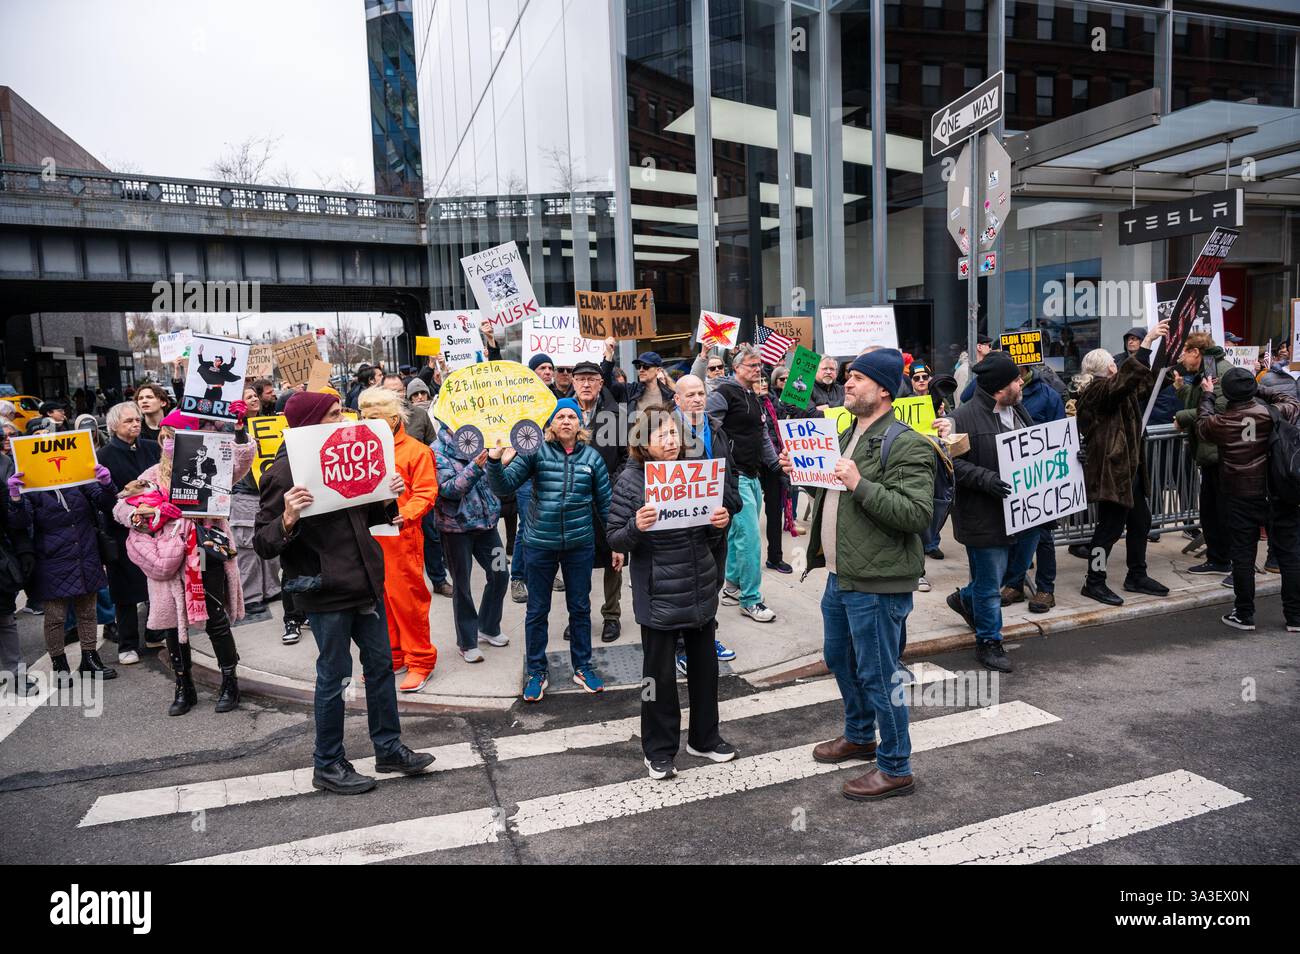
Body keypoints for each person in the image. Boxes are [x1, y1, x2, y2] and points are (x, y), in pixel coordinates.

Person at [255, 390, 431, 793]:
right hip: (324, 589)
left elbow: (368, 513)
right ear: (311, 421)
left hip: (365, 581)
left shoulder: (347, 453)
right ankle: (328, 764)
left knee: (381, 668)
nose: (343, 419)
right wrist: (287, 516)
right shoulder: (283, 471)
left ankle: (388, 748)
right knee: (334, 677)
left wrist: (388, 495)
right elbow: (264, 543)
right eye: (334, 414)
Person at [783, 349, 934, 801]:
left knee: (879, 674)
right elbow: (837, 492)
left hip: (877, 583)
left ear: (884, 389)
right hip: (839, 575)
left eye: (858, 379)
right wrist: (807, 476)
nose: (847, 384)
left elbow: (916, 513)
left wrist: (858, 483)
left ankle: (895, 766)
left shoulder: (906, 442)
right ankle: (859, 735)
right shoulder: (847, 432)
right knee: (840, 659)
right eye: (847, 378)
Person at [607, 408, 736, 780]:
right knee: (657, 680)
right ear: (642, 443)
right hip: (658, 592)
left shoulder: (696, 472)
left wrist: (718, 524)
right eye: (661, 435)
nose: (670, 441)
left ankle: (705, 738)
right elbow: (614, 537)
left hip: (698, 586)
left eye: (674, 434)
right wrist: (636, 526)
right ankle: (659, 751)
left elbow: (709, 537)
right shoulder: (631, 480)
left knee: (705, 671)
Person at [115, 410, 252, 713]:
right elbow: (123, 507)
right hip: (166, 557)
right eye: (163, 435)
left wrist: (238, 431)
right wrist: (141, 516)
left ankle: (230, 681)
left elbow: (241, 464)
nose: (167, 441)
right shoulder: (150, 475)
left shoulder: (212, 465)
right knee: (170, 622)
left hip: (204, 548)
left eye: (174, 436)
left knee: (214, 616)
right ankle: (183, 684)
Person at [487, 398, 614, 702]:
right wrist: (494, 461)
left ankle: (582, 666)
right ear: (551, 424)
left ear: (579, 424)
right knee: (537, 610)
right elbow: (503, 487)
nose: (567, 420)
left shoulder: (593, 459)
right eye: (560, 416)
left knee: (580, 608)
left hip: (579, 545)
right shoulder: (534, 453)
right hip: (539, 545)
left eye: (572, 416)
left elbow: (606, 505)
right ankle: (536, 671)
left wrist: (615, 544)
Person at [940, 351, 1040, 673]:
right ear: (1000, 387)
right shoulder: (963, 419)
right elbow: (951, 463)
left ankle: (964, 599)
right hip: (983, 515)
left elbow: (1037, 447)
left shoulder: (1019, 410)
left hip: (1020, 514)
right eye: (1015, 379)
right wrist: (988, 479)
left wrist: (1068, 458)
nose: (1021, 382)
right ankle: (989, 641)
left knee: (998, 578)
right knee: (989, 585)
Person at [1194, 367, 1300, 630]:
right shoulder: (1270, 413)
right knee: (1289, 555)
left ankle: (1244, 614)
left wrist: (1207, 395)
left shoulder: (1221, 422)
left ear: (1227, 393)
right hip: (1278, 493)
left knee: (1242, 555)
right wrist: (1260, 388)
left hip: (1240, 495)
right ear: (1252, 391)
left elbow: (1201, 425)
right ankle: (1295, 616)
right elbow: (1292, 402)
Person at [1075, 322, 1172, 607]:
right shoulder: (1095, 392)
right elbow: (1126, 381)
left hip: (1129, 470)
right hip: (1111, 472)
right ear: (1105, 369)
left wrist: (1170, 368)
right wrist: (1146, 343)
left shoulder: (1116, 389)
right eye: (1113, 365)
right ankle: (1093, 582)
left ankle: (1136, 575)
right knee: (1108, 530)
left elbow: (1142, 385)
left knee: (1141, 522)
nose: (1117, 367)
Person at [358, 386, 441, 692]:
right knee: (381, 603)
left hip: (402, 539)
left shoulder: (417, 451)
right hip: (371, 540)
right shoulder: (364, 449)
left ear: (394, 419)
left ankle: (421, 659)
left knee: (408, 602)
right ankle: (394, 654)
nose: (369, 422)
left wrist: (405, 513)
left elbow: (427, 492)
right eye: (365, 417)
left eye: (376, 417)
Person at [6, 463, 119, 681]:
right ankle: (60, 665)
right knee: (55, 616)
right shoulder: (32, 485)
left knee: (87, 611)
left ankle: (90, 659)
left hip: (85, 552)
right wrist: (16, 498)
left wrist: (106, 484)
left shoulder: (77, 478)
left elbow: (106, 504)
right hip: (52, 558)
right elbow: (20, 522)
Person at [706, 343, 787, 623]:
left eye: (760, 365)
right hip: (734, 477)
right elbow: (708, 431)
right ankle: (751, 599)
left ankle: (732, 586)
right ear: (737, 367)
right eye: (753, 365)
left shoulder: (753, 395)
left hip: (753, 475)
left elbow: (762, 434)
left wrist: (775, 464)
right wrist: (718, 469)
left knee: (738, 537)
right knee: (750, 539)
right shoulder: (723, 393)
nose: (759, 369)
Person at [672, 374, 738, 669]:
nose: (698, 399)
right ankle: (682, 649)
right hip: (684, 528)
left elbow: (730, 472)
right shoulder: (664, 432)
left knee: (713, 584)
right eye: (691, 395)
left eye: (701, 393)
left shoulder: (715, 428)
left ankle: (707, 638)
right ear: (677, 400)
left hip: (716, 524)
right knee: (687, 589)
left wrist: (732, 504)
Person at [433, 421, 510, 663]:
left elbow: (490, 480)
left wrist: (499, 463)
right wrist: (477, 467)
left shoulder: (480, 441)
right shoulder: (437, 451)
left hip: (486, 526)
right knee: (462, 586)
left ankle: (488, 626)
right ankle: (467, 642)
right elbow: (449, 490)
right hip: (456, 531)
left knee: (500, 574)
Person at [997, 364, 1068, 614]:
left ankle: (1045, 589)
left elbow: (1061, 432)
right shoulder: (996, 396)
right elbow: (966, 396)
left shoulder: (1047, 394)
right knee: (1014, 533)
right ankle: (1014, 585)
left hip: (1040, 477)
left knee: (1043, 535)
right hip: (1011, 475)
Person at [97, 401, 163, 663]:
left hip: (155, 527)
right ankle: (127, 644)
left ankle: (153, 632)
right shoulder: (103, 457)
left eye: (137, 420)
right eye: (128, 421)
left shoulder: (150, 447)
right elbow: (102, 499)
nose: (135, 424)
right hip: (122, 529)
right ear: (114, 425)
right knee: (124, 591)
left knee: (154, 583)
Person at [571, 360, 629, 643]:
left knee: (613, 558)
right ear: (572, 382)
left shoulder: (616, 416)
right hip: (572, 500)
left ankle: (611, 616)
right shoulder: (561, 414)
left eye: (591, 379)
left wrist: (611, 482)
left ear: (600, 383)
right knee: (575, 560)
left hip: (609, 497)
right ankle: (578, 616)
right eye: (580, 378)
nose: (585, 384)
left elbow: (626, 457)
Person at [1173, 332, 1235, 576]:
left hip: (1221, 453)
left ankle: (1226, 561)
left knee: (1220, 510)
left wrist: (1183, 417)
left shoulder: (1220, 370)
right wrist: (1180, 389)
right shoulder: (1208, 368)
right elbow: (1200, 399)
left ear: (1195, 352)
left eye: (1184, 351)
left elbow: (1220, 409)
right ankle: (1218, 559)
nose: (1181, 357)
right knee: (1210, 510)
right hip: (1211, 453)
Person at [229, 387, 279, 617]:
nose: (253, 399)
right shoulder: (232, 429)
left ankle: (271, 588)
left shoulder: (271, 422)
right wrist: (238, 426)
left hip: (267, 492)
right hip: (245, 493)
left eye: (254, 395)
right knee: (247, 548)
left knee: (270, 540)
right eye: (247, 396)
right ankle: (250, 596)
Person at [754, 371, 794, 574]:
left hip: (773, 463)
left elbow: (789, 421)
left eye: (763, 380)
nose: (761, 383)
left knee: (774, 512)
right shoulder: (746, 402)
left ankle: (775, 557)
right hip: (750, 463)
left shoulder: (774, 402)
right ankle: (744, 564)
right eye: (757, 380)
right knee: (747, 517)